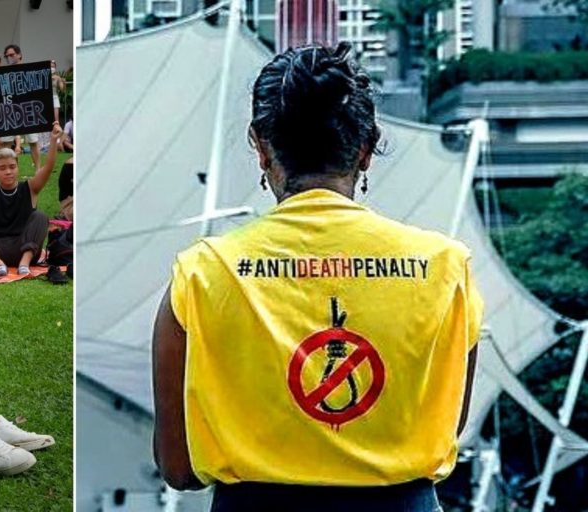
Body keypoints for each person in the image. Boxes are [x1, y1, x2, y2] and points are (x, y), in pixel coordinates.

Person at [151, 43, 483, 511]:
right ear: (366, 150)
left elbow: (179, 469)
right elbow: (447, 425)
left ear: (262, 148)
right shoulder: (447, 269)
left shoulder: (203, 273)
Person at [0, 122, 62, 276]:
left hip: (26, 248)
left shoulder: (31, 187)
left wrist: (54, 140)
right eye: (2, 168)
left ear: (17, 167)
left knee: (40, 216)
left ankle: (24, 264)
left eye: (12, 167)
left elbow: (48, 167)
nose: (8, 172)